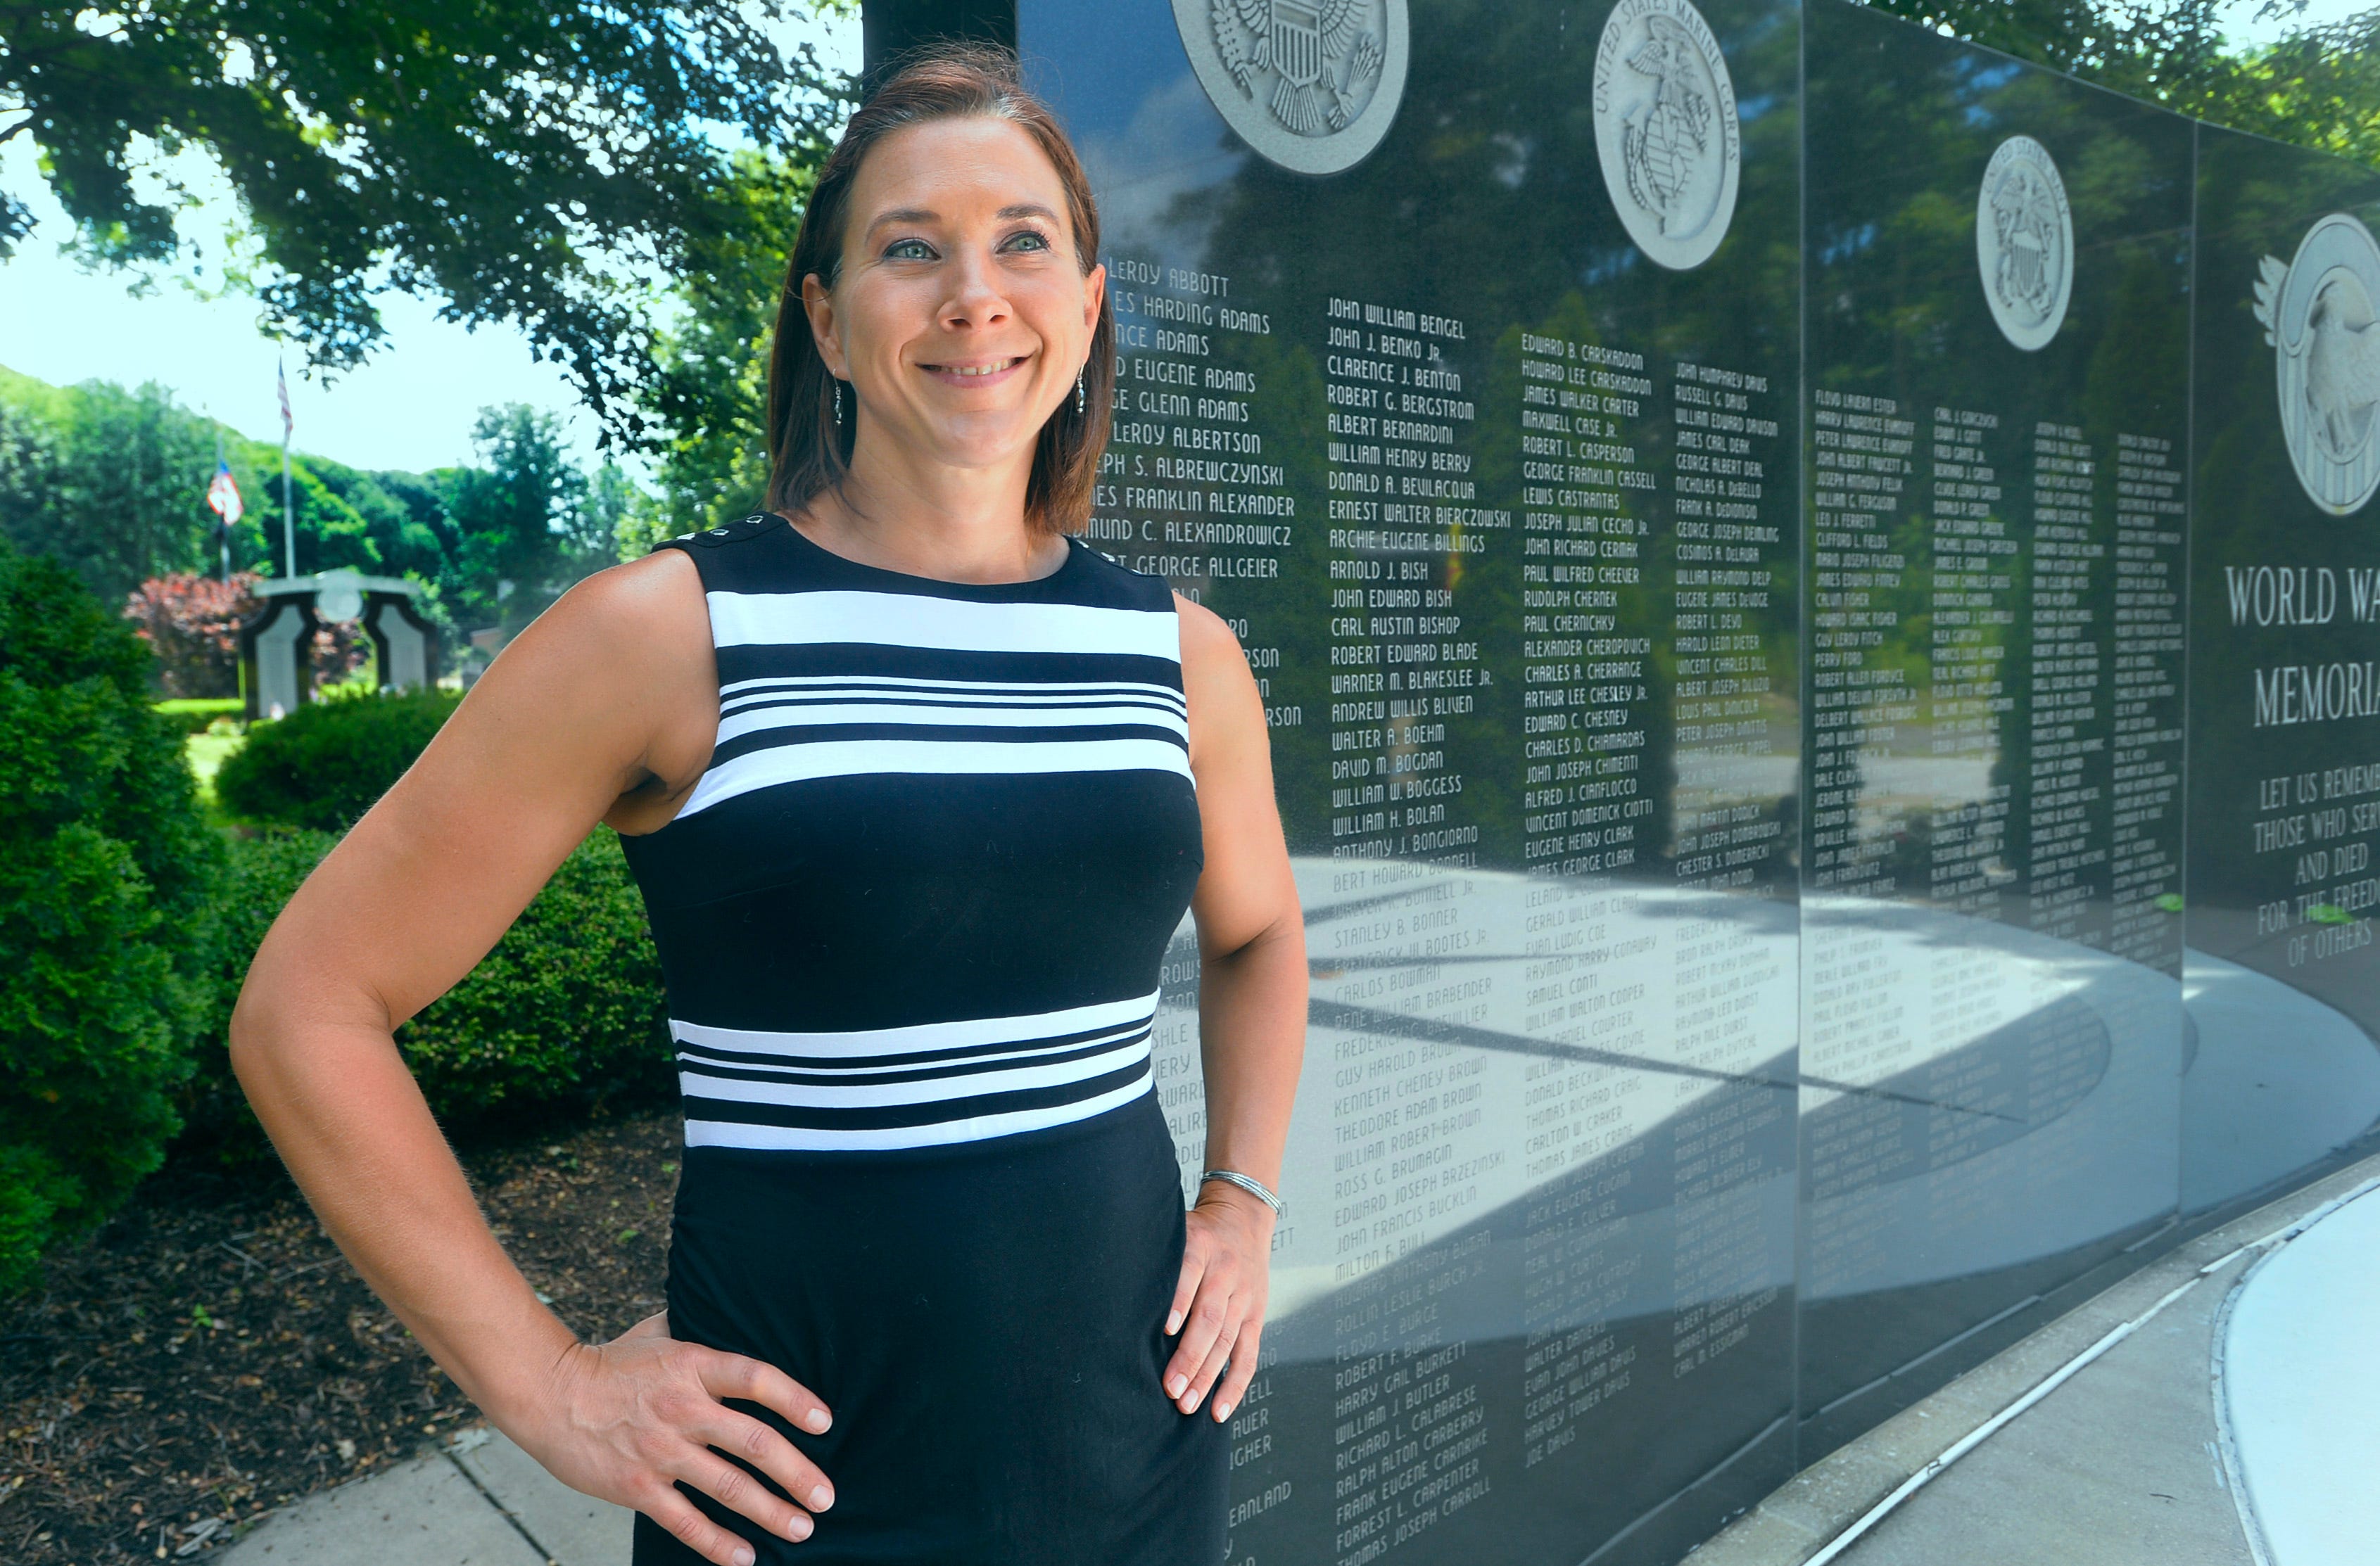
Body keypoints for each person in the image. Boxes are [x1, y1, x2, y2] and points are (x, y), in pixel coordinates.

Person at [227, 42, 1308, 1566]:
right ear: (826, 316)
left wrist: (1244, 1199)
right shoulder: (664, 633)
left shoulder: (1177, 654)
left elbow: (1257, 937)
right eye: (906, 249)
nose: (972, 295)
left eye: (1022, 243)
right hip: (796, 1494)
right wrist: (544, 1384)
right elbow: (308, 1008)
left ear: (1085, 301)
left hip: (1137, 1455)